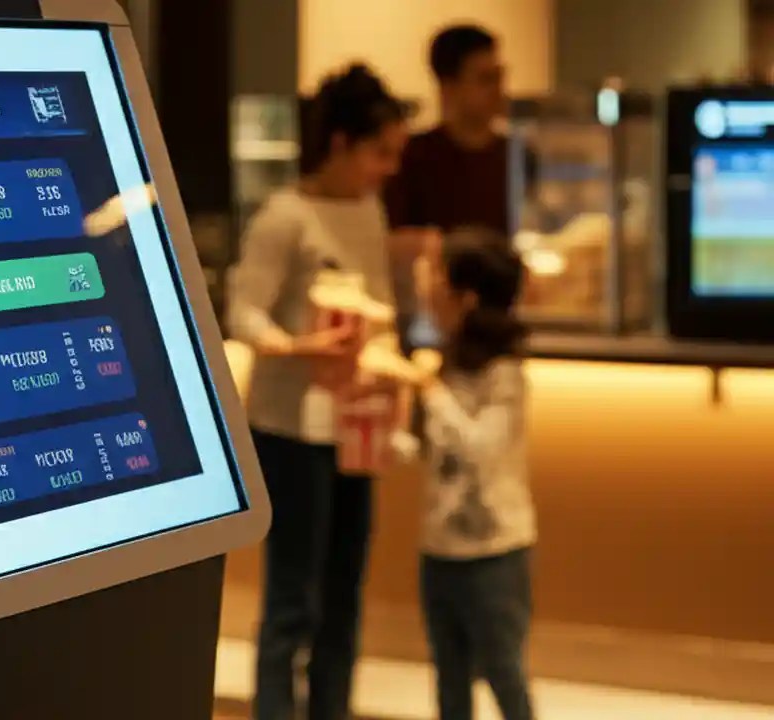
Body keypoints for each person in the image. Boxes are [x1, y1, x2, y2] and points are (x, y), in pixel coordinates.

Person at [226, 64, 407, 720]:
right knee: (292, 599)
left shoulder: (367, 209)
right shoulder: (285, 215)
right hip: (289, 426)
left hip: (354, 422)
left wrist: (389, 367)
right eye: (379, 152)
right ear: (340, 143)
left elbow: (379, 307)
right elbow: (242, 313)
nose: (387, 168)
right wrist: (302, 348)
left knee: (344, 595)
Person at [363, 230, 537, 720]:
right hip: (439, 550)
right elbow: (419, 450)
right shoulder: (443, 363)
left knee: (504, 672)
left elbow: (479, 447)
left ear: (466, 298)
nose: (427, 288)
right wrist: (386, 408)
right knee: (449, 676)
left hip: (494, 552)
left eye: (438, 278)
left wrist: (427, 388)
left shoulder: (504, 374)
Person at [384, 24, 510, 238]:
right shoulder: (411, 159)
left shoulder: (517, 157)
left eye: (499, 77)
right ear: (449, 86)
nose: (498, 90)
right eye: (485, 80)